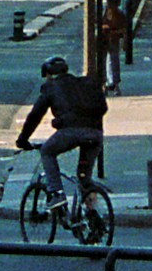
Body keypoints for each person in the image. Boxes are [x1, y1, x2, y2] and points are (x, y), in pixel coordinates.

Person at [14, 53, 109, 210]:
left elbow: (35, 115)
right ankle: (93, 219)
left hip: (70, 132)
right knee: (84, 177)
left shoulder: (51, 87)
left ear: (49, 75)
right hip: (95, 134)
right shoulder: (82, 83)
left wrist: (23, 139)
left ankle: (57, 193)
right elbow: (102, 107)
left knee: (47, 152)